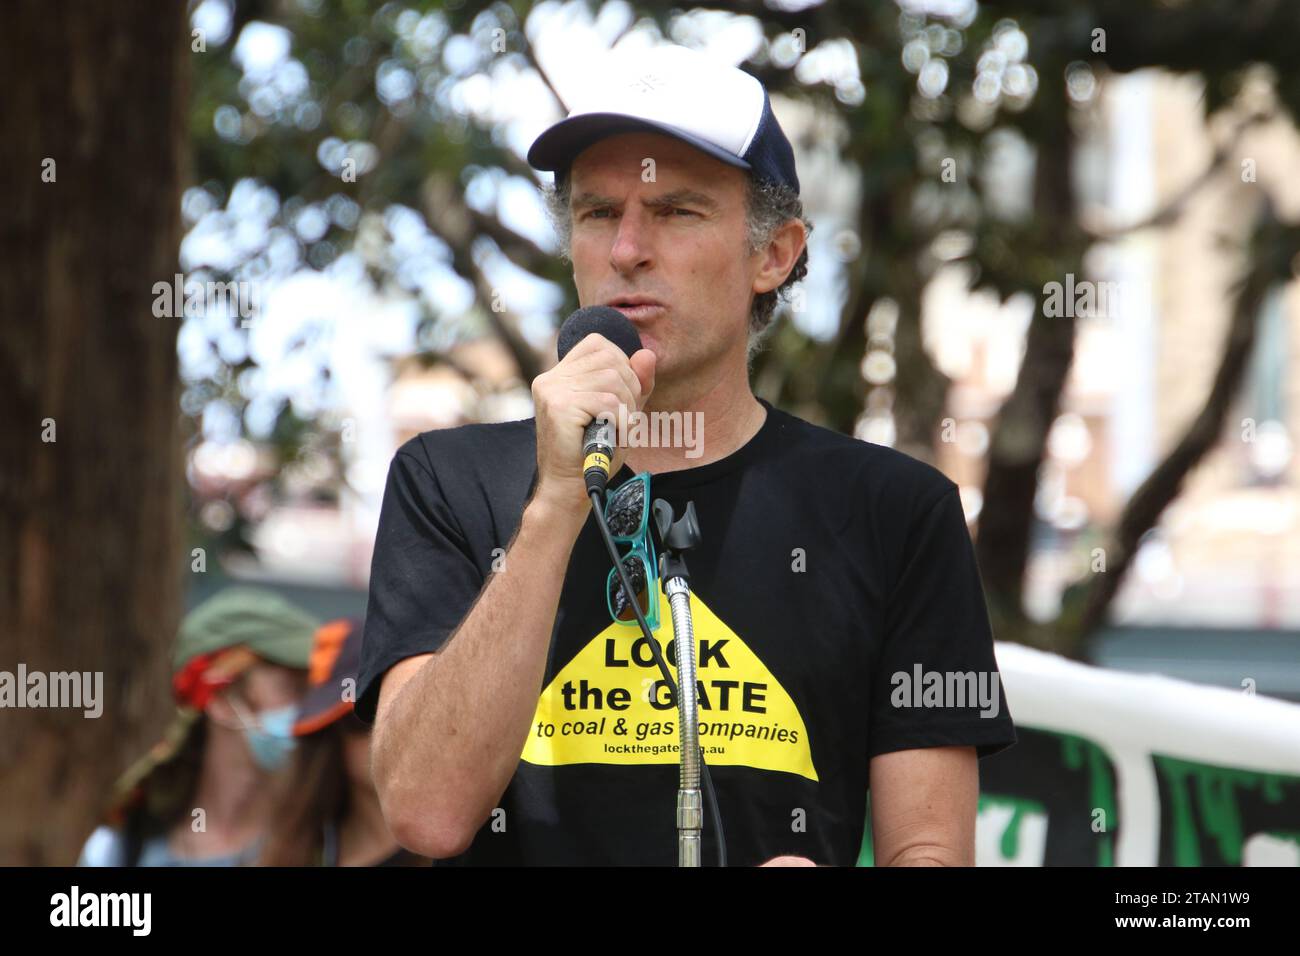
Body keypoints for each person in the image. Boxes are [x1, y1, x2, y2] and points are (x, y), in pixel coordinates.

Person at [357, 44, 1016, 866]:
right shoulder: (447, 483)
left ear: (773, 255)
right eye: (598, 213)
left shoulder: (894, 512)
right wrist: (559, 502)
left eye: (676, 212)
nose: (627, 249)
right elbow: (423, 811)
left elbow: (930, 848)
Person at [78, 587, 317, 866]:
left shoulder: (321, 842)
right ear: (221, 699)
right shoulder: (123, 847)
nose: (311, 707)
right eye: (293, 688)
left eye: (314, 689)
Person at [259, 619, 426, 866]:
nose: (392, 731)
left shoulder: (475, 850)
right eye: (368, 713)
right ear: (332, 735)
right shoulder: (290, 854)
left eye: (415, 712)